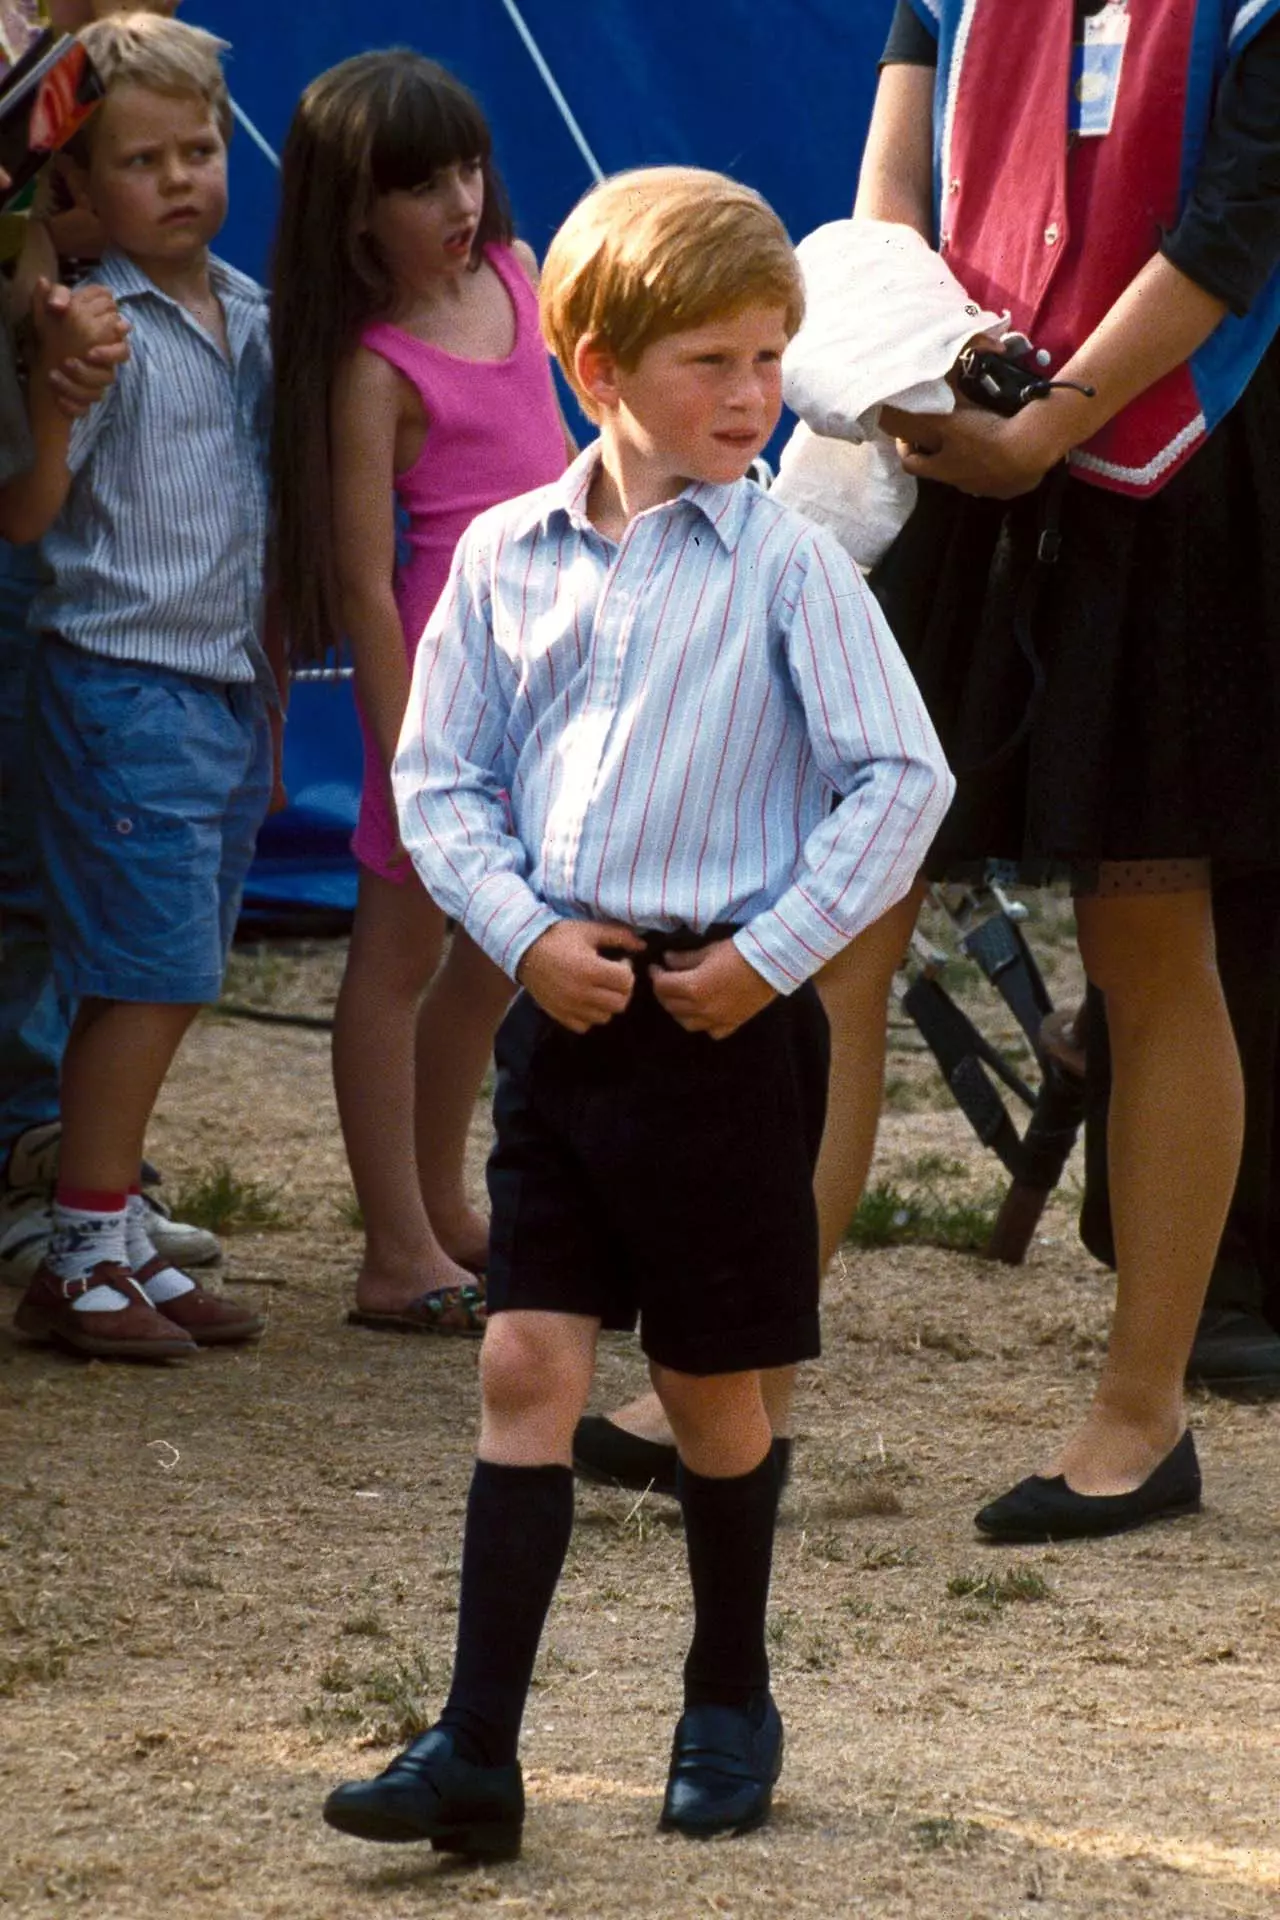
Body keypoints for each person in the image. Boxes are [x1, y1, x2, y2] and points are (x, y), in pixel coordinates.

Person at [320, 164, 951, 1858]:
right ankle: (475, 1751)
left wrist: (773, 955)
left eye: (770, 360)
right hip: (567, 1027)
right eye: (711, 363)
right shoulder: (514, 558)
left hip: (727, 1038)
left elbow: (905, 779)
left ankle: (728, 1693)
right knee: (526, 1366)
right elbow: (439, 780)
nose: (752, 398)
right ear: (595, 367)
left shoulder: (791, 568)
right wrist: (523, 939)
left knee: (715, 1390)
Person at [844, 0, 1280, 1540]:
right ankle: (733, 1364)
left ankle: (1140, 1416)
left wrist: (1058, 420)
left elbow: (1238, 228)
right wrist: (919, 373)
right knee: (846, 899)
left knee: (1153, 933)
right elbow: (891, 197)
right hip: (968, 445)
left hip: (1180, 464)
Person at [270, 52, 571, 1336]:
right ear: (353, 219)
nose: (460, 196)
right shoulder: (374, 369)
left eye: (467, 166)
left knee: (493, 959)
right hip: (438, 710)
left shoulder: (519, 275)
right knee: (395, 958)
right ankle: (394, 1247)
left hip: (546, 689)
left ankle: (448, 1208)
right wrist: (408, 761)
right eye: (419, 184)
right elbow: (361, 591)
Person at [0, 10, 275, 1358]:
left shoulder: (258, 320)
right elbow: (29, 513)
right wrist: (53, 397)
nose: (183, 180)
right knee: (146, 970)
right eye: (146, 160)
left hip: (222, 689)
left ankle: (109, 1231)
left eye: (204, 149)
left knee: (169, 967)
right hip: (118, 679)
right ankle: (82, 1250)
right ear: (78, 190)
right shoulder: (97, 329)